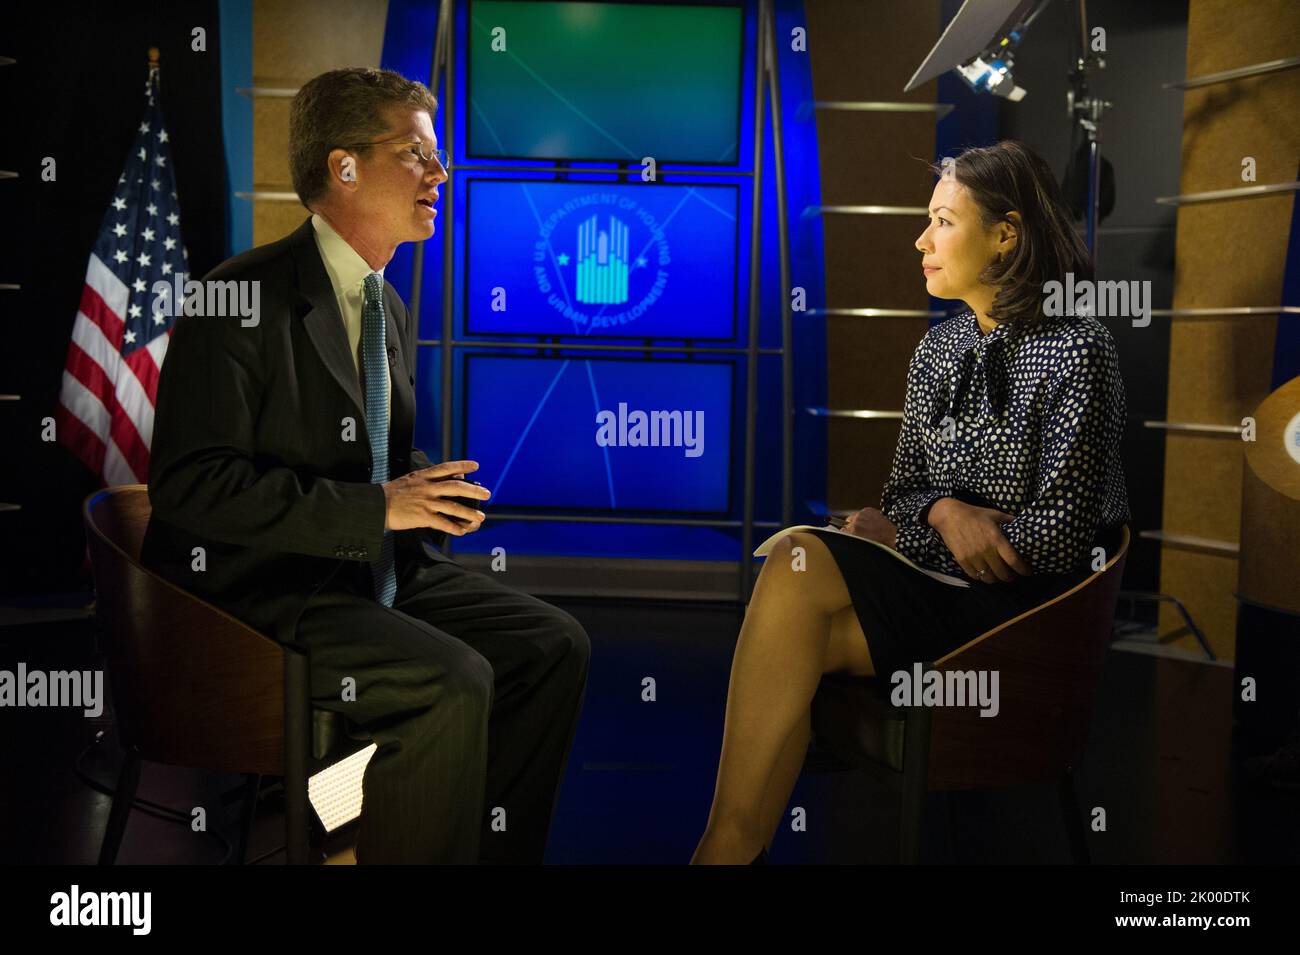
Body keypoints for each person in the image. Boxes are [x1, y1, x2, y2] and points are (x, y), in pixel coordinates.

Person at [141, 67, 590, 864]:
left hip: (358, 568)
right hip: (256, 591)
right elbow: (192, 488)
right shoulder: (233, 300)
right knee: (446, 680)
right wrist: (381, 506)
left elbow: (353, 452)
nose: (440, 174)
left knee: (550, 645)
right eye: (418, 153)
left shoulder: (388, 306)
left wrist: (431, 492)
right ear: (344, 166)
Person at [691, 140, 1131, 864]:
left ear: (1005, 235)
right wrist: (942, 515)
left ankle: (721, 850)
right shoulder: (938, 350)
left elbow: (1054, 540)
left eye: (943, 222)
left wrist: (909, 531)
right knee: (798, 620)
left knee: (799, 564)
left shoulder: (1079, 348)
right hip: (941, 594)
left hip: (1023, 617)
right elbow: (903, 494)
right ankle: (728, 848)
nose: (921, 240)